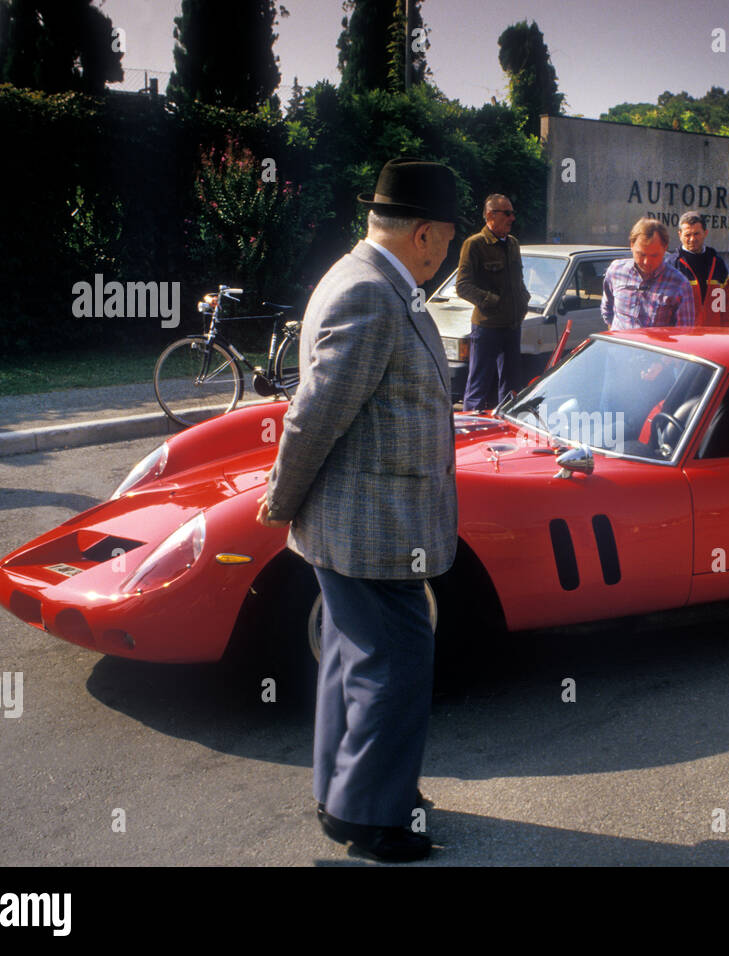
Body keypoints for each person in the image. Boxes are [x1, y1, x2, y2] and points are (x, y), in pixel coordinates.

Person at [256, 158, 459, 863]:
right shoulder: (373, 293)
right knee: (395, 667)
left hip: (364, 522)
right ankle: (375, 820)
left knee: (352, 661)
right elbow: (314, 416)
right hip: (375, 527)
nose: (447, 258)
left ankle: (345, 794)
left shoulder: (359, 277)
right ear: (427, 236)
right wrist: (280, 499)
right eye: (449, 244)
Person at [456, 193, 531, 410]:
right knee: (478, 383)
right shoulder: (475, 244)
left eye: (512, 213)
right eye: (507, 213)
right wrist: (492, 301)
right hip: (487, 326)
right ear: (490, 215)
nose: (512, 218)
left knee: (511, 386)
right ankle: (470, 429)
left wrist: (523, 299)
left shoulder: (513, 243)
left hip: (512, 325)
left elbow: (519, 280)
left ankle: (503, 426)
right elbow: (463, 286)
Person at [601, 218, 695, 329]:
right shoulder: (616, 271)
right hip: (618, 346)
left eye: (654, 255)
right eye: (641, 254)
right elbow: (608, 311)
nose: (647, 262)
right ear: (631, 245)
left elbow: (683, 333)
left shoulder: (680, 284)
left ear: (665, 248)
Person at [670, 211, 729, 327]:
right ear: (680, 235)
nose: (692, 239)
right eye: (687, 235)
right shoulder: (672, 265)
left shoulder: (717, 263)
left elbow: (726, 303)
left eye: (696, 234)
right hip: (683, 336)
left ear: (705, 233)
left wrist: (725, 330)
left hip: (713, 334)